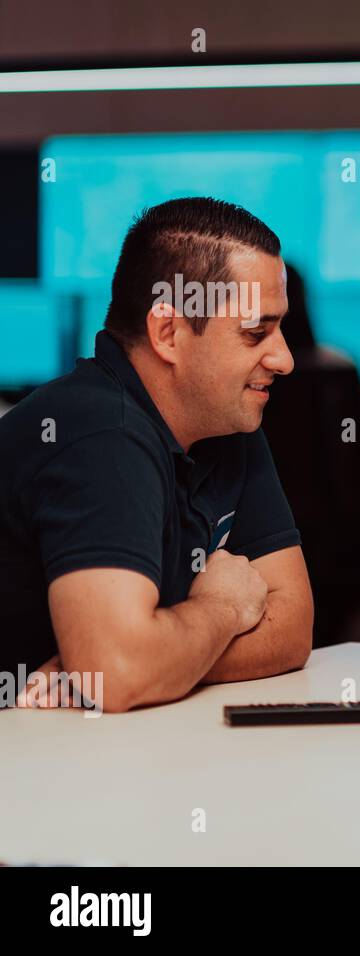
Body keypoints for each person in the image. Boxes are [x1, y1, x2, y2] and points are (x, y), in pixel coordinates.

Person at [0, 197, 312, 712]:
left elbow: (292, 627)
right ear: (168, 333)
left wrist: (156, 660)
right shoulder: (99, 434)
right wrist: (222, 606)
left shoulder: (226, 423)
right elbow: (121, 674)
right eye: (255, 332)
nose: (285, 359)